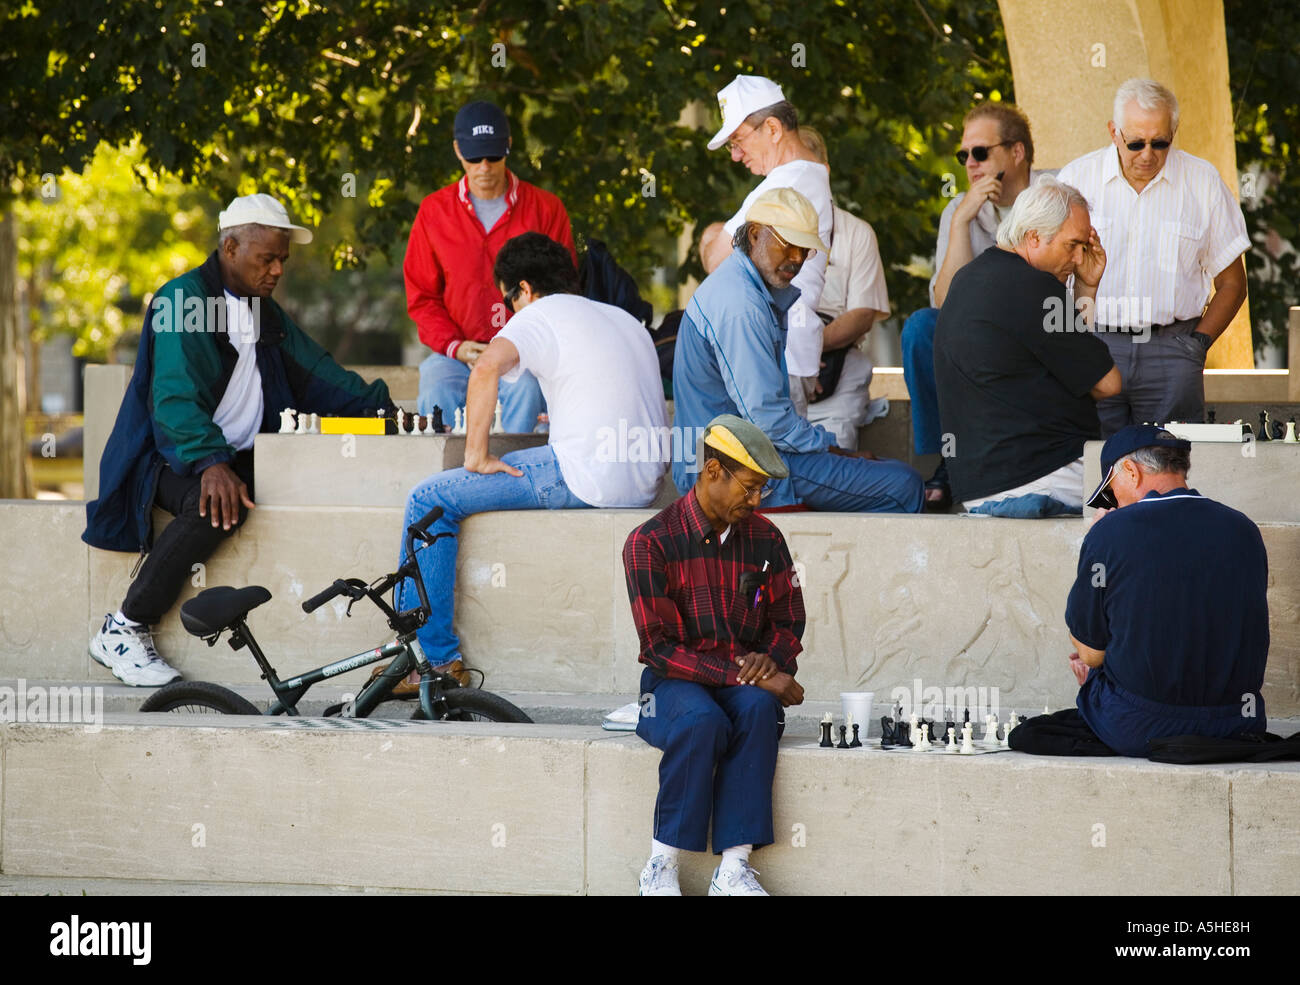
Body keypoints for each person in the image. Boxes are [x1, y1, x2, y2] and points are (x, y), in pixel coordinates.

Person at [83, 194, 394, 685]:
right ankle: (124, 627)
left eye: (282, 261)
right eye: (266, 258)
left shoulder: (265, 312)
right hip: (167, 460)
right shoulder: (182, 302)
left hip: (236, 457)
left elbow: (320, 375)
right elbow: (174, 398)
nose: (276, 271)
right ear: (230, 246)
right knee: (215, 505)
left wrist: (386, 411)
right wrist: (210, 463)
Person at [393, 232, 668, 683]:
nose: (510, 308)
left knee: (430, 501)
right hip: (644, 481)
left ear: (524, 288)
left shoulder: (540, 312)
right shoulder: (620, 317)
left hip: (586, 476)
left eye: (508, 296)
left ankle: (431, 661)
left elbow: (485, 368)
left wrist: (477, 456)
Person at [624, 415, 805, 896]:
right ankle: (661, 865)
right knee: (702, 721)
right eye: (749, 488)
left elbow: (789, 619)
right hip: (671, 685)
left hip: (743, 679)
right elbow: (659, 648)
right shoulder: (650, 541)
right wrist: (750, 674)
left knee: (759, 708)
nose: (757, 500)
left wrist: (770, 661)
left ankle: (733, 870)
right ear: (712, 472)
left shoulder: (767, 539)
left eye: (762, 490)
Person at [1009, 425, 1269, 757]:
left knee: (1032, 731)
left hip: (1142, 725)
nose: (1114, 503)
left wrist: (1095, 670)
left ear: (1131, 472)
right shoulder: (1243, 528)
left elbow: (1090, 653)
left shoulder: (1111, 532)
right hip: (1237, 723)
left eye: (1111, 491)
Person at [672, 187, 923, 513]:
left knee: (892, 477)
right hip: (736, 473)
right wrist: (835, 451)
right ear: (755, 233)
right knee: (904, 485)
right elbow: (767, 422)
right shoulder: (741, 306)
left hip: (732, 463)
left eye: (805, 249)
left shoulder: (739, 286)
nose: (796, 258)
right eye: (787, 244)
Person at [1056, 79, 1249, 435]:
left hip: (1173, 349)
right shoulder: (1076, 179)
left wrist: (1197, 346)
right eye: (1135, 143)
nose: (1147, 154)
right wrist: (1070, 341)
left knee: (1169, 467)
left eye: (1160, 142)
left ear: (1174, 132)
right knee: (1095, 468)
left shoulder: (1202, 181)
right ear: (1113, 132)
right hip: (1096, 345)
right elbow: (1047, 271)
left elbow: (1233, 284)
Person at [934, 178, 1121, 516]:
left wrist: (1085, 288)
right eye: (1072, 245)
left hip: (980, 484)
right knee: (1157, 485)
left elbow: (1077, 362)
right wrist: (1085, 290)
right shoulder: (1035, 287)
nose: (1080, 258)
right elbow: (1107, 383)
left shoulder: (969, 277)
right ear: (1034, 237)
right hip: (1044, 473)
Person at [901, 102, 1052, 509]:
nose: (970, 163)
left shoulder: (1055, 194)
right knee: (920, 328)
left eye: (981, 152)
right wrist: (960, 222)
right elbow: (946, 303)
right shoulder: (960, 209)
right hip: (982, 336)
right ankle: (951, 458)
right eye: (963, 155)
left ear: (1016, 152)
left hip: (1040, 332)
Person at [403, 99, 575, 432]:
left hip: (523, 353)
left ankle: (511, 481)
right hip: (454, 354)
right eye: (474, 156)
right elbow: (422, 296)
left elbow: (562, 291)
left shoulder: (546, 208)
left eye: (493, 156)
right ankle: (446, 482)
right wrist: (455, 345)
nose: (484, 167)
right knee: (436, 391)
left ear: (509, 146)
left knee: (526, 391)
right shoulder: (433, 212)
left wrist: (520, 345)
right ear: (457, 150)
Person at [697, 75, 833, 406]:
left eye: (738, 140)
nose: (736, 155)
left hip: (775, 357)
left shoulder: (787, 182)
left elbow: (716, 262)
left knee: (760, 459)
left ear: (772, 128)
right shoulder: (800, 177)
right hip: (779, 353)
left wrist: (712, 234)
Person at [793, 126, 891, 449]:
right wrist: (795, 352)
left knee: (834, 467)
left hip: (838, 368)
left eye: (805, 168)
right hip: (778, 369)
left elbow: (862, 314)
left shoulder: (858, 233)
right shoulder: (760, 233)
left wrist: (810, 346)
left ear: (824, 171)